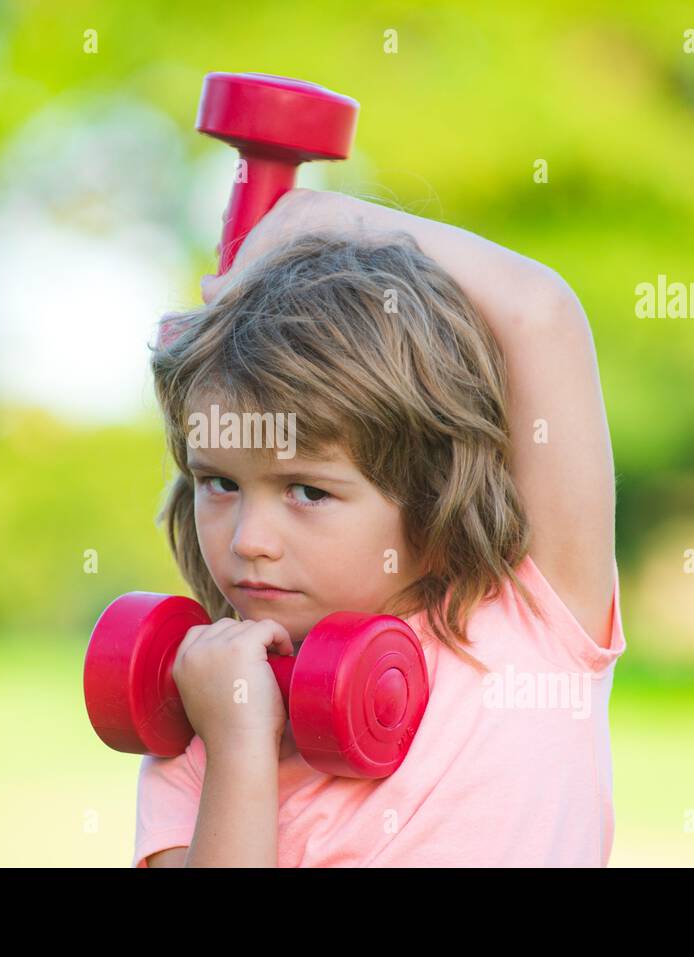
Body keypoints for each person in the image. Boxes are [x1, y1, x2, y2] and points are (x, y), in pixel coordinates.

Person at [134, 188, 625, 867]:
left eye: (307, 490)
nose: (249, 539)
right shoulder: (199, 733)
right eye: (220, 482)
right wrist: (241, 747)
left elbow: (540, 313)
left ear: (431, 495)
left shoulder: (532, 623)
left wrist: (315, 217)